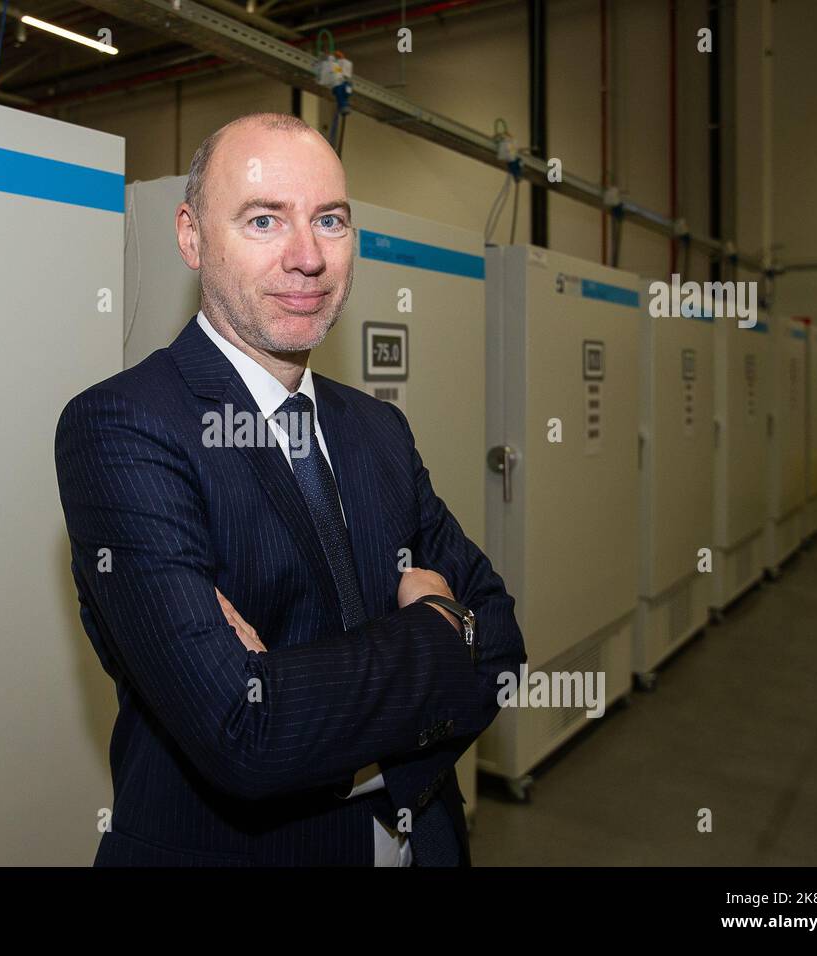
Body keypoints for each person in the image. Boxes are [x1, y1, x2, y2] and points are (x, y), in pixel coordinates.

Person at [55, 111, 525, 866]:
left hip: (422, 835)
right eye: (264, 219)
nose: (308, 257)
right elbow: (245, 733)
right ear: (191, 236)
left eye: (330, 220)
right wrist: (442, 628)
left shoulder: (377, 428)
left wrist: (290, 684)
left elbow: (501, 639)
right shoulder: (123, 428)